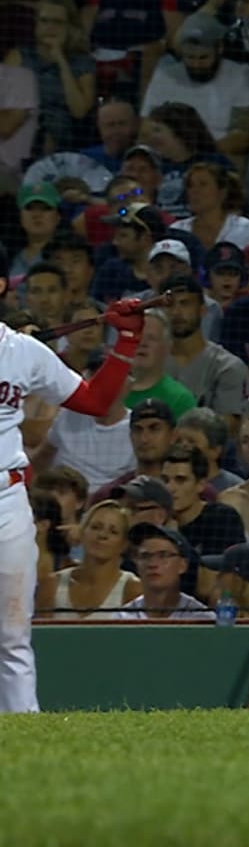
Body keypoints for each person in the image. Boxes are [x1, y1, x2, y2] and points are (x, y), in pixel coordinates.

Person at [0, 292, 144, 711]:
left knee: (11, 634)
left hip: (5, 499)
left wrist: (127, 342)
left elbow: (94, 401)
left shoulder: (23, 351)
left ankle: (24, 731)